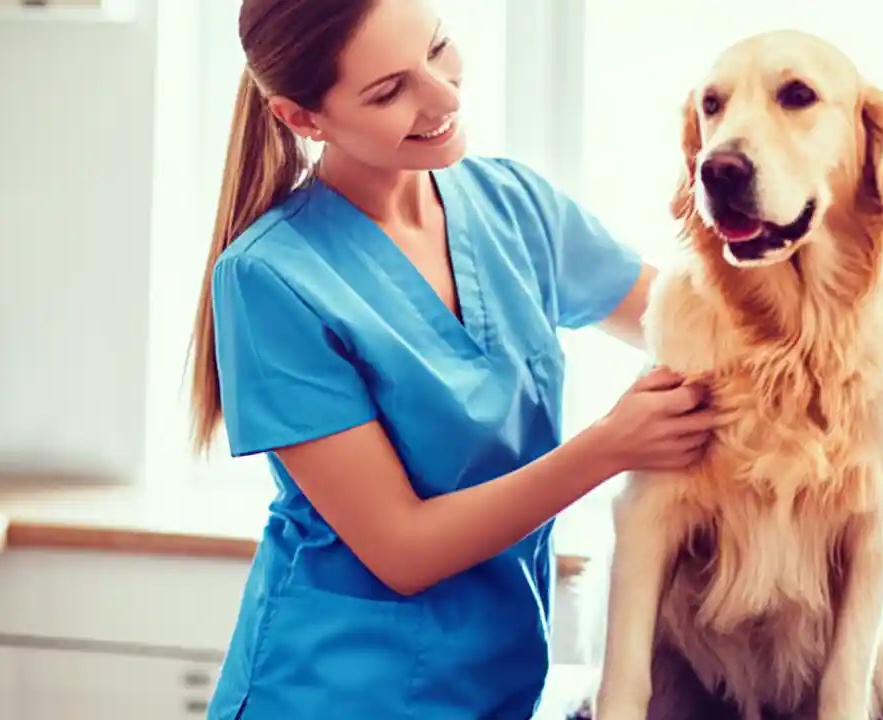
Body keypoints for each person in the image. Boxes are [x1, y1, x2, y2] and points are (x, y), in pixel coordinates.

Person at [187, 0, 722, 717]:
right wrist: (610, 447)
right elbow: (401, 548)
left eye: (438, 49)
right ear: (302, 120)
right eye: (388, 91)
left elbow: (700, 330)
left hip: (498, 684)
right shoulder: (268, 278)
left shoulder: (515, 206)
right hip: (334, 690)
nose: (442, 97)